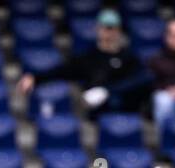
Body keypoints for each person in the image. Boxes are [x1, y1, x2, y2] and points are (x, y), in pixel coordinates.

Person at [18, 9, 151, 116]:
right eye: (105, 28)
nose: (109, 33)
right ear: (98, 29)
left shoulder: (129, 57)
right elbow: (61, 71)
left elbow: (143, 78)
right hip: (96, 111)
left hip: (125, 107)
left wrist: (108, 91)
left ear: (119, 30)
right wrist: (35, 78)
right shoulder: (88, 57)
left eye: (112, 28)